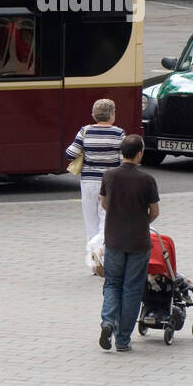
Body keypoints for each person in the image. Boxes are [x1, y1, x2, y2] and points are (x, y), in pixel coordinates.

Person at [99, 135, 160, 352]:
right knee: (132, 289)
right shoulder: (147, 180)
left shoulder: (109, 175)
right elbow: (155, 211)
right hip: (138, 241)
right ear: (139, 153)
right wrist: (142, 220)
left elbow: (104, 203)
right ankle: (123, 339)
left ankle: (107, 322)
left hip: (114, 239)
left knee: (112, 284)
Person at [65, 99, 124, 272]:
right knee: (106, 222)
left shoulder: (85, 131)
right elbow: (123, 159)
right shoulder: (119, 134)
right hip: (110, 183)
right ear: (112, 114)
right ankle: (102, 255)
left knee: (91, 222)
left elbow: (70, 153)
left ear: (94, 115)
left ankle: (94, 262)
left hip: (88, 183)